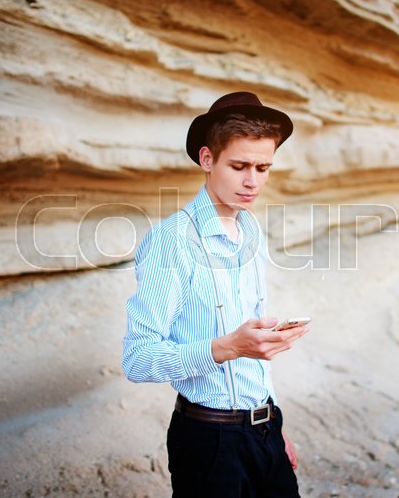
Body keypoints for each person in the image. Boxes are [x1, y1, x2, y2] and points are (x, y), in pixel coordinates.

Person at [122, 91, 309, 497]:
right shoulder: (171, 242)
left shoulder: (252, 232)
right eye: (239, 165)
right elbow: (137, 359)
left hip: (265, 431)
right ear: (207, 159)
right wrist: (227, 347)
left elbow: (254, 355)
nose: (252, 181)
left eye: (263, 167)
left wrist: (274, 429)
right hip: (208, 441)